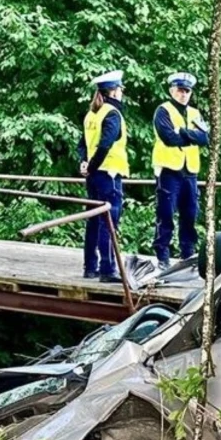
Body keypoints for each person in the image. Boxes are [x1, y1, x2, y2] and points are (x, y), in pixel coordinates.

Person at [152, 71, 209, 270]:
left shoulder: (194, 113)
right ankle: (162, 256)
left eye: (187, 91)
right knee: (166, 213)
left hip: (190, 171)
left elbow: (205, 139)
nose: (184, 94)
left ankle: (188, 255)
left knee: (190, 214)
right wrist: (192, 136)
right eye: (180, 90)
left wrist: (183, 132)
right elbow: (169, 138)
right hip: (169, 170)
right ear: (171, 91)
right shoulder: (163, 110)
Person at [78, 69, 129, 283]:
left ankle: (90, 267)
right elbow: (105, 145)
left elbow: (83, 144)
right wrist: (92, 166)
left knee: (93, 220)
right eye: (120, 89)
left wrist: (85, 162)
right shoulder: (112, 113)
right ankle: (107, 269)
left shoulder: (92, 114)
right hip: (109, 173)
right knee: (108, 222)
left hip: (94, 176)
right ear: (114, 91)